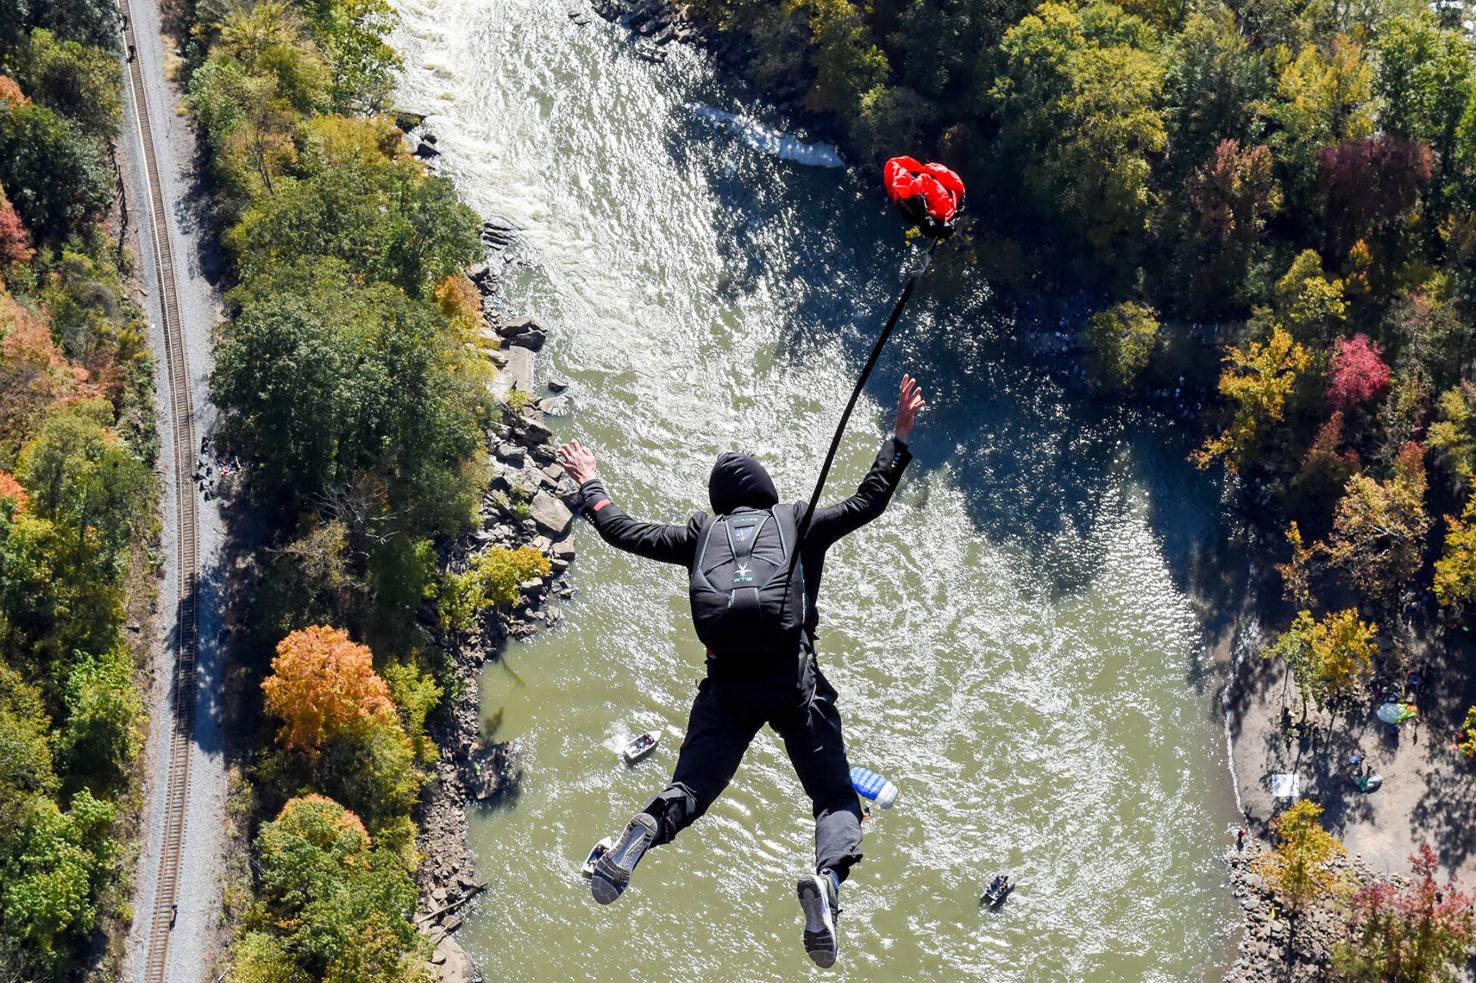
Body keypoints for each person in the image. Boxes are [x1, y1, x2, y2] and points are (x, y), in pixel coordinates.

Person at [556, 374, 927, 969]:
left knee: (691, 789)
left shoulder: (700, 535)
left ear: (719, 501)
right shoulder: (796, 522)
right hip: (793, 684)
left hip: (726, 688)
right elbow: (867, 502)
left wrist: (591, 483)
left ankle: (645, 831)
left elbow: (625, 531)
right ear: (765, 488)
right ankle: (828, 882)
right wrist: (898, 438)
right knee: (834, 796)